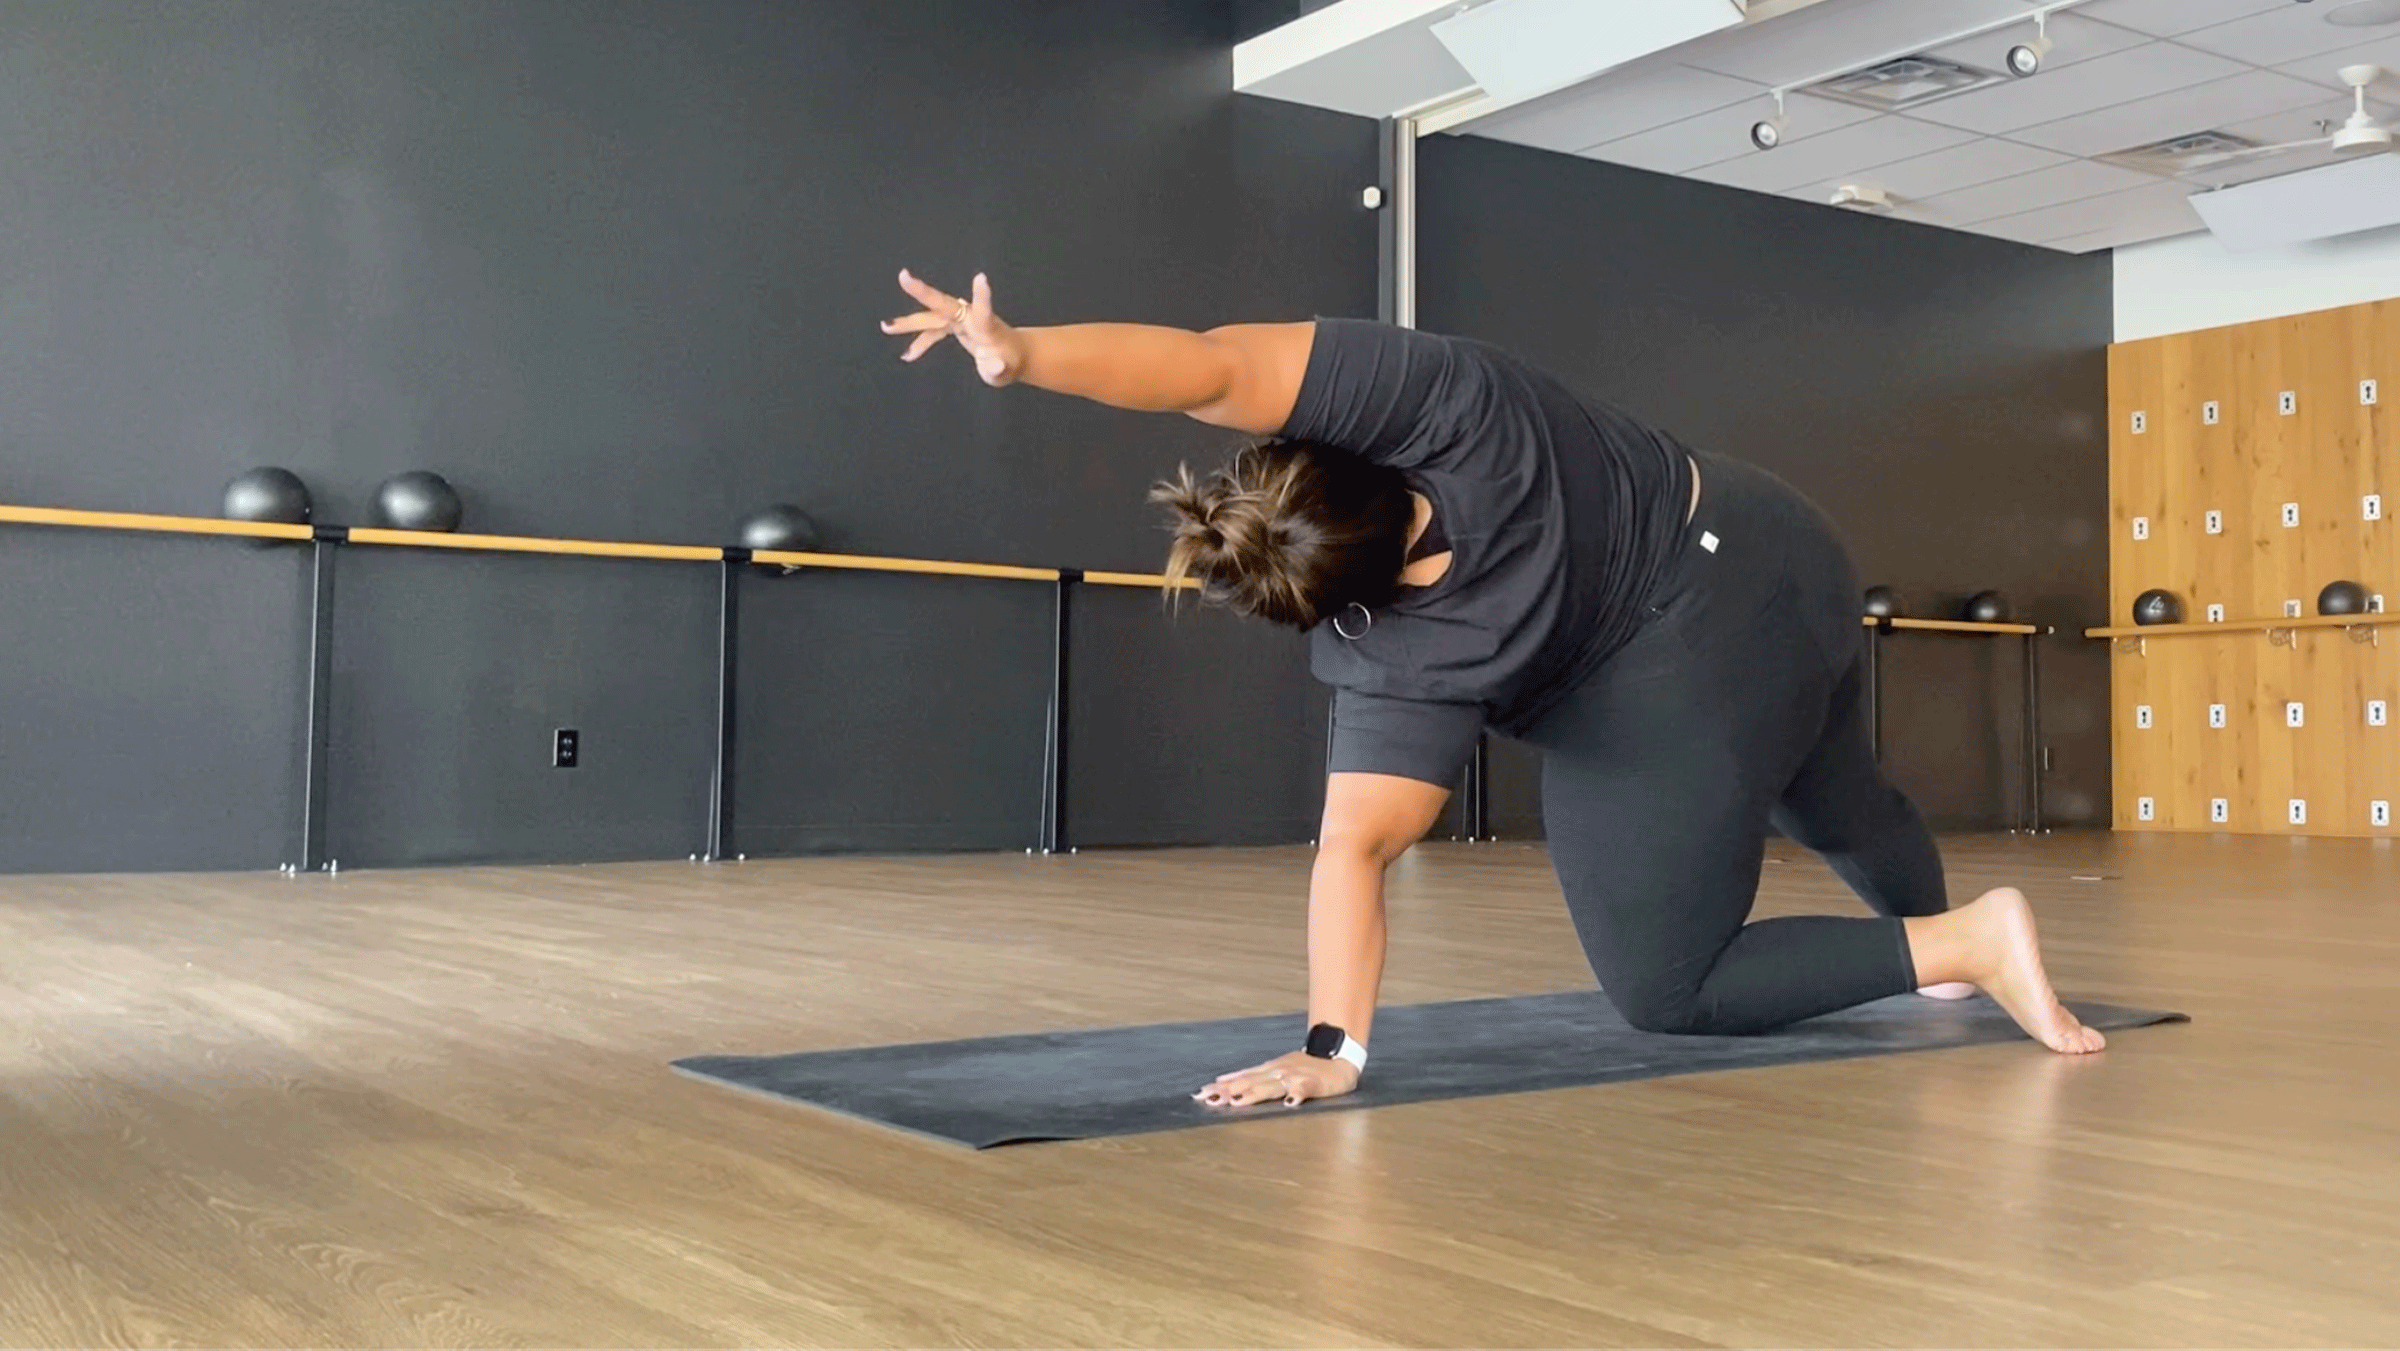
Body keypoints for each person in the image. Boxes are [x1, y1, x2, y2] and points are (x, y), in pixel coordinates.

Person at [881, 270, 2106, 1111]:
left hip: (1680, 659)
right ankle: (1937, 960)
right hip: (1780, 541)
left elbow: (1350, 854)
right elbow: (1202, 369)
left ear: (1340, 605)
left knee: (1672, 987)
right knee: (1830, 793)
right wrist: (1022, 353)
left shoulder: (1396, 651)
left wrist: (1333, 1051)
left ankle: (1965, 942)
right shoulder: (1440, 406)